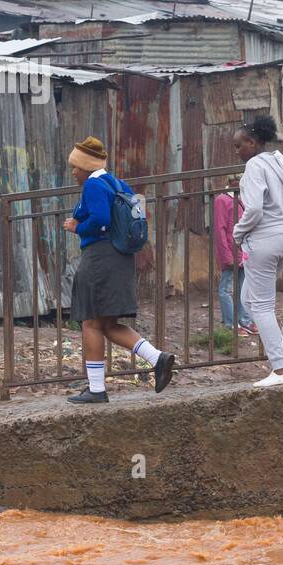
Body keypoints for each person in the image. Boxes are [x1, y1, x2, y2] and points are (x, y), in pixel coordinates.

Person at [63, 136, 175, 402]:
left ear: (87, 166)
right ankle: (157, 358)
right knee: (108, 324)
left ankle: (97, 390)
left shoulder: (92, 185)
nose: (73, 172)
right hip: (119, 258)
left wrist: (77, 227)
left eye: (75, 167)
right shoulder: (116, 182)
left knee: (90, 321)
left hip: (100, 258)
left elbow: (100, 219)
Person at [233, 115, 283, 387]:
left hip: (263, 241)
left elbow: (252, 209)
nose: (237, 151)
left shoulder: (254, 165)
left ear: (252, 142)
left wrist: (237, 233)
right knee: (248, 299)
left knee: (261, 305)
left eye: (239, 145)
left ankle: (279, 370)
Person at [212, 186, 256, 335]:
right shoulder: (222, 200)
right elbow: (220, 229)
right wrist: (226, 256)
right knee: (226, 289)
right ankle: (231, 324)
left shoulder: (242, 198)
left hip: (243, 251)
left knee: (242, 288)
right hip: (231, 252)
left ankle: (244, 320)